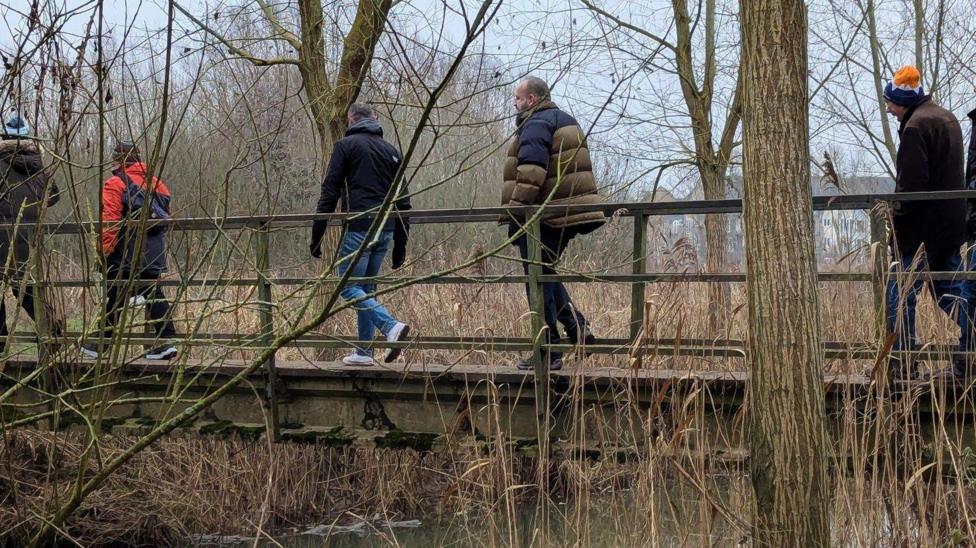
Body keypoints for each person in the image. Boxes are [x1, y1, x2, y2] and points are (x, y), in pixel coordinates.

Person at [501, 76, 606, 371]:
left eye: (518, 98)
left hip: (546, 215)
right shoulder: (563, 119)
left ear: (532, 99)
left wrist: (516, 213)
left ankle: (549, 351)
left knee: (538, 277)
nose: (515, 103)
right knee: (544, 272)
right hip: (566, 210)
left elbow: (531, 173)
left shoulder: (535, 123)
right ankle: (577, 330)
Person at [883, 66, 971, 380]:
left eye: (890, 104)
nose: (889, 110)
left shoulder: (915, 128)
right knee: (953, 292)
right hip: (949, 227)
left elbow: (912, 188)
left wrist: (894, 217)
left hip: (920, 232)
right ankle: (971, 351)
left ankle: (902, 364)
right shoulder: (947, 118)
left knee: (899, 293)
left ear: (901, 102)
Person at [310, 103, 411, 366]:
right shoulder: (391, 151)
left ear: (350, 119)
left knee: (346, 285)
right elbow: (404, 201)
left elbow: (330, 190)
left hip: (360, 227)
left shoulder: (347, 146)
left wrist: (317, 232)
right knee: (365, 289)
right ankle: (364, 352)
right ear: (374, 119)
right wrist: (400, 244)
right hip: (386, 229)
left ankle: (391, 327)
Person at [81, 140, 178, 360]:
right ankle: (166, 341)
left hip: (124, 252)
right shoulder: (156, 182)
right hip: (154, 250)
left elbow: (110, 220)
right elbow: (166, 215)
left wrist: (104, 250)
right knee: (149, 293)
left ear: (117, 160)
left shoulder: (116, 183)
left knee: (117, 293)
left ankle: (101, 343)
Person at [0, 114, 63, 352]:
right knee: (24, 288)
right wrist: (32, 207)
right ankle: (52, 331)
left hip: (1, 235)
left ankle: (0, 342)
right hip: (29, 239)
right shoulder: (39, 165)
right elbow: (54, 195)